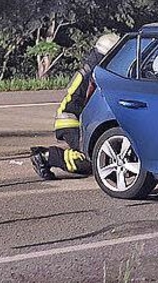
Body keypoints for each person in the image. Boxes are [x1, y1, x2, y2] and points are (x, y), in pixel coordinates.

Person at [30, 33, 120, 180]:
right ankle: (46, 156)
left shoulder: (90, 68)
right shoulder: (95, 72)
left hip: (74, 118)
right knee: (91, 160)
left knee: (97, 155)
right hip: (71, 120)